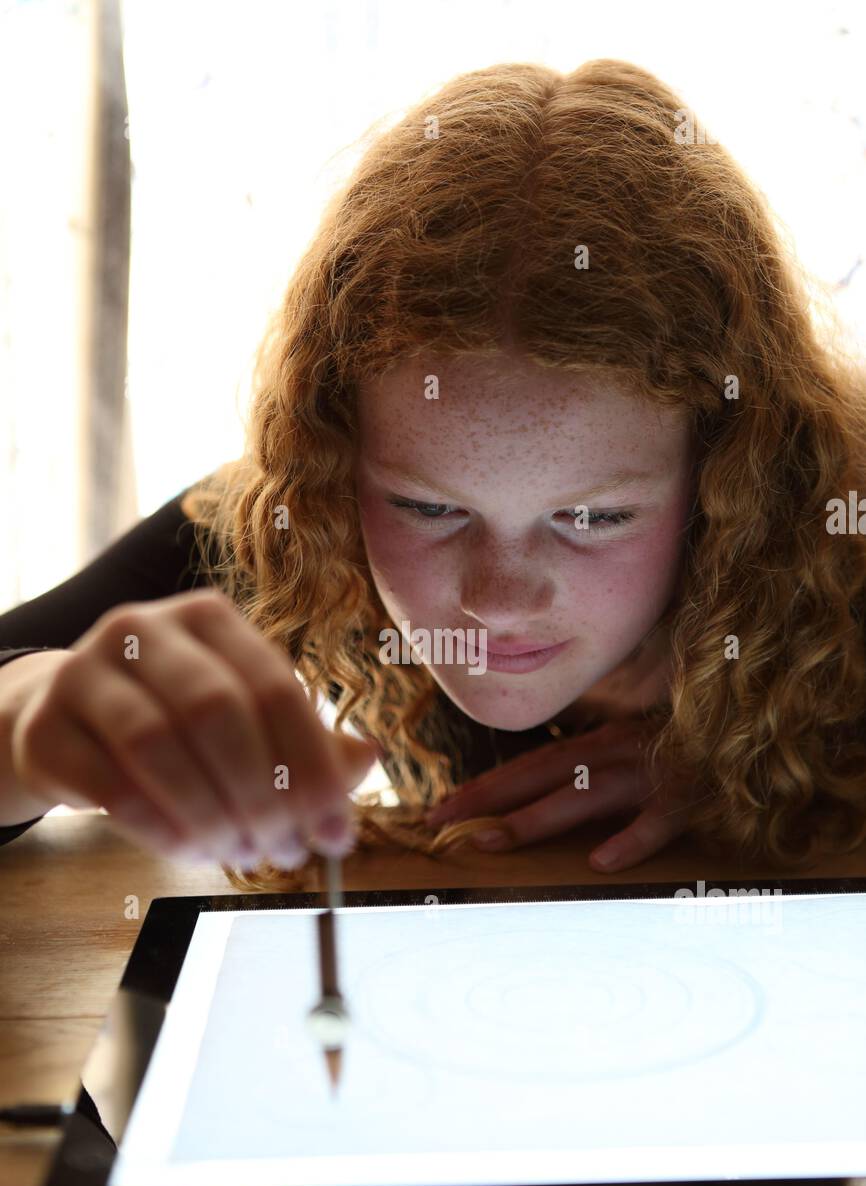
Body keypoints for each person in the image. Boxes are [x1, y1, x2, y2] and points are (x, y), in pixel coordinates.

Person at [2, 57, 866, 892]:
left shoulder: (839, 526)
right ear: (337, 453)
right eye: (426, 507)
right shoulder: (301, 520)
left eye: (594, 519)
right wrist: (35, 721)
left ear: (729, 469)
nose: (498, 598)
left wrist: (778, 773)